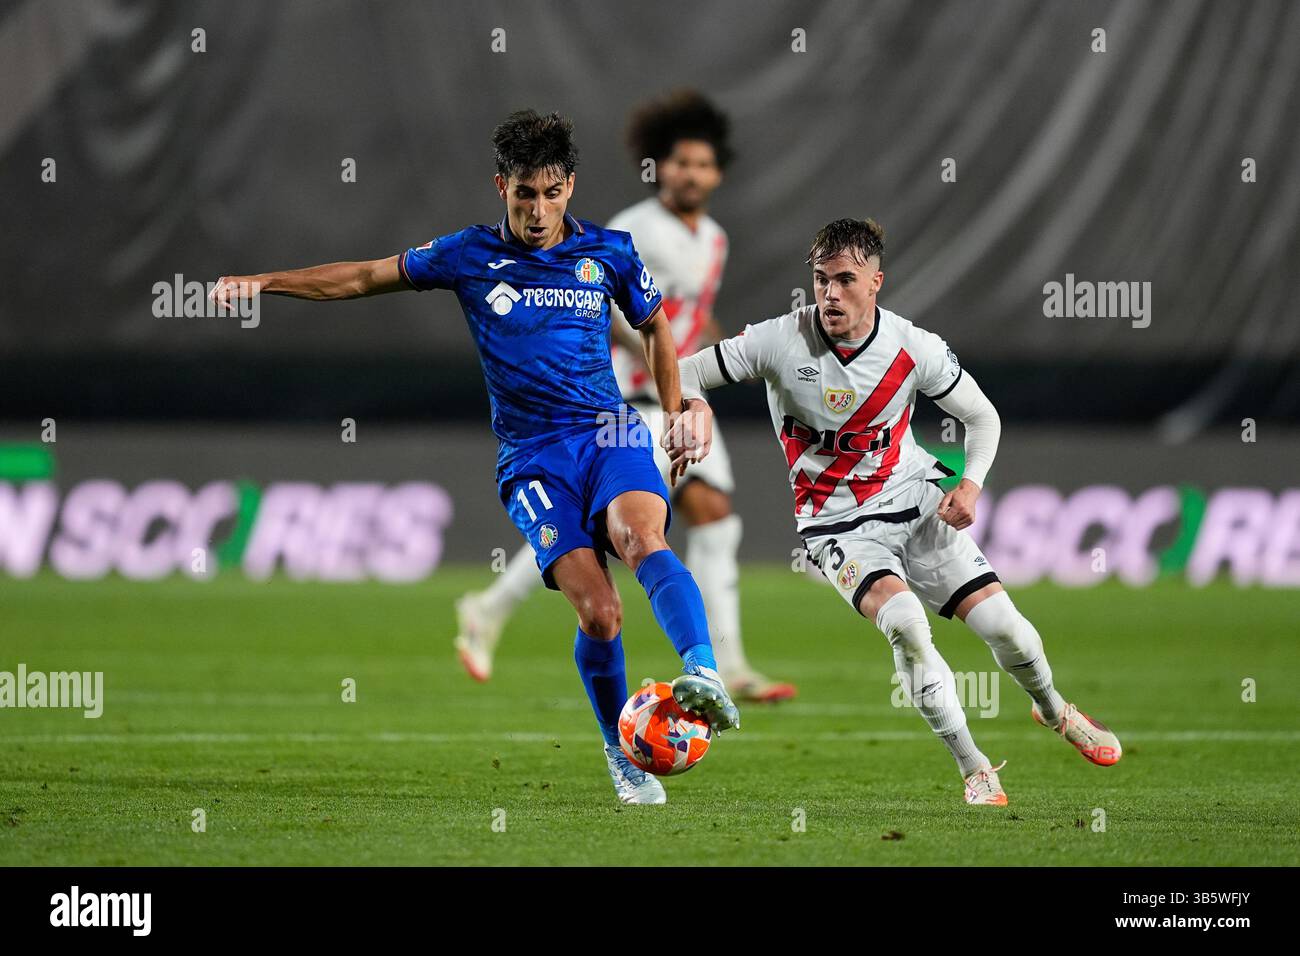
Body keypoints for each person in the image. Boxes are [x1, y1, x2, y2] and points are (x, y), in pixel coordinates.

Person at [209, 110, 739, 806]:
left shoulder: (610, 251)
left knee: (641, 536)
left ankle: (704, 673)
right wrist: (266, 281)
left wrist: (675, 410)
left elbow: (655, 328)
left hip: (610, 434)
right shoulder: (465, 255)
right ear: (501, 186)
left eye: (552, 193)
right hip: (532, 457)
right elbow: (366, 277)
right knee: (601, 615)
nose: (540, 210)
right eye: (525, 193)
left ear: (570, 186)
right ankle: (620, 747)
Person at [669, 217, 1122, 806]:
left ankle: (1054, 709)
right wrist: (696, 406)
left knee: (1008, 631)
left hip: (914, 498)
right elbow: (685, 370)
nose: (830, 294)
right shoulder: (779, 339)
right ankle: (975, 767)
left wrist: (972, 484)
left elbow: (984, 418)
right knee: (906, 626)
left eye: (845, 281)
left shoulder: (913, 347)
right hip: (835, 523)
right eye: (821, 279)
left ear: (876, 282)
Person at [454, 91, 795, 703]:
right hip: (624, 405)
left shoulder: (714, 238)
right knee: (615, 530)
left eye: (703, 165)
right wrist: (659, 369)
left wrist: (735, 359)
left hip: (676, 398)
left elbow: (691, 317)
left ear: (718, 173)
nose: (691, 174)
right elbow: (609, 307)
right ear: (660, 166)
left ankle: (728, 665)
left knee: (712, 518)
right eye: (680, 163)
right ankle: (491, 606)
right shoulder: (635, 227)